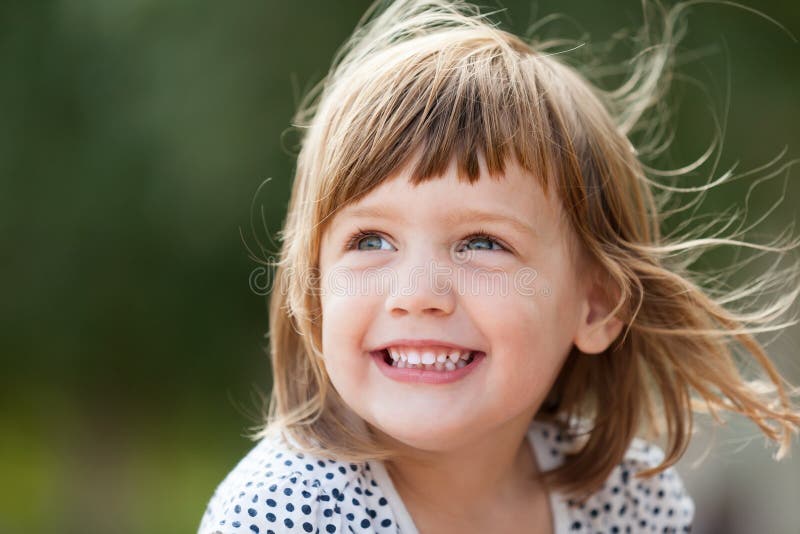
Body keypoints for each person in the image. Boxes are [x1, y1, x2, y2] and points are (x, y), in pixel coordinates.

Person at [198, 1, 800, 532]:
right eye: (372, 239)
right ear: (315, 289)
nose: (417, 294)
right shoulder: (285, 513)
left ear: (597, 304)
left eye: (482, 243)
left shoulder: (630, 500)